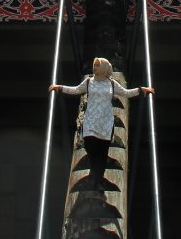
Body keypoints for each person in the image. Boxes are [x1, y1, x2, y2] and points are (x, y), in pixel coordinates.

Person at [50, 57, 154, 190]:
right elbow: (76, 90)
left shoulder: (112, 84)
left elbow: (125, 93)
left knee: (102, 153)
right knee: (90, 146)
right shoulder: (88, 82)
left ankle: (97, 180)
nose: (95, 68)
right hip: (91, 121)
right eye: (94, 65)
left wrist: (141, 90)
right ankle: (95, 175)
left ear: (104, 68)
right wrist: (59, 88)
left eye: (98, 66)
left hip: (105, 123)